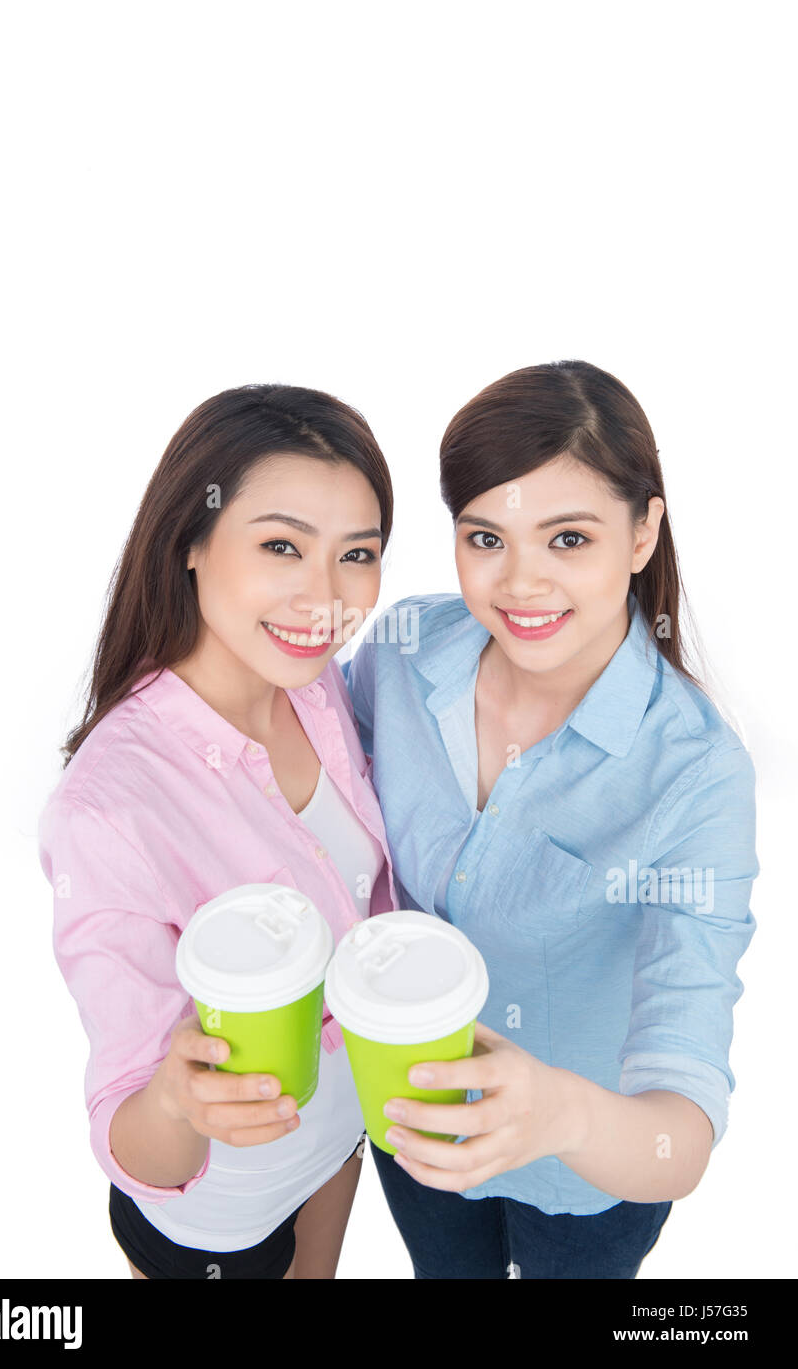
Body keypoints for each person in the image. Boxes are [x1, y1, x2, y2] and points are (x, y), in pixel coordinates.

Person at [341, 360, 759, 1279]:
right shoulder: (405, 654)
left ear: (644, 532)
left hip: (586, 1181)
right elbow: (308, 779)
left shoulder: (696, 776)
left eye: (567, 539)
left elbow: (681, 1132)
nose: (520, 584)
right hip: (410, 1117)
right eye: (485, 537)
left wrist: (557, 1112)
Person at [38, 383, 400, 1279]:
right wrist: (175, 1100)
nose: (325, 595)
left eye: (356, 553)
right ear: (190, 542)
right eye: (281, 545)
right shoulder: (108, 807)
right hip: (214, 1215)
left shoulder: (317, 690)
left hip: (334, 1142)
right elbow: (134, 1137)